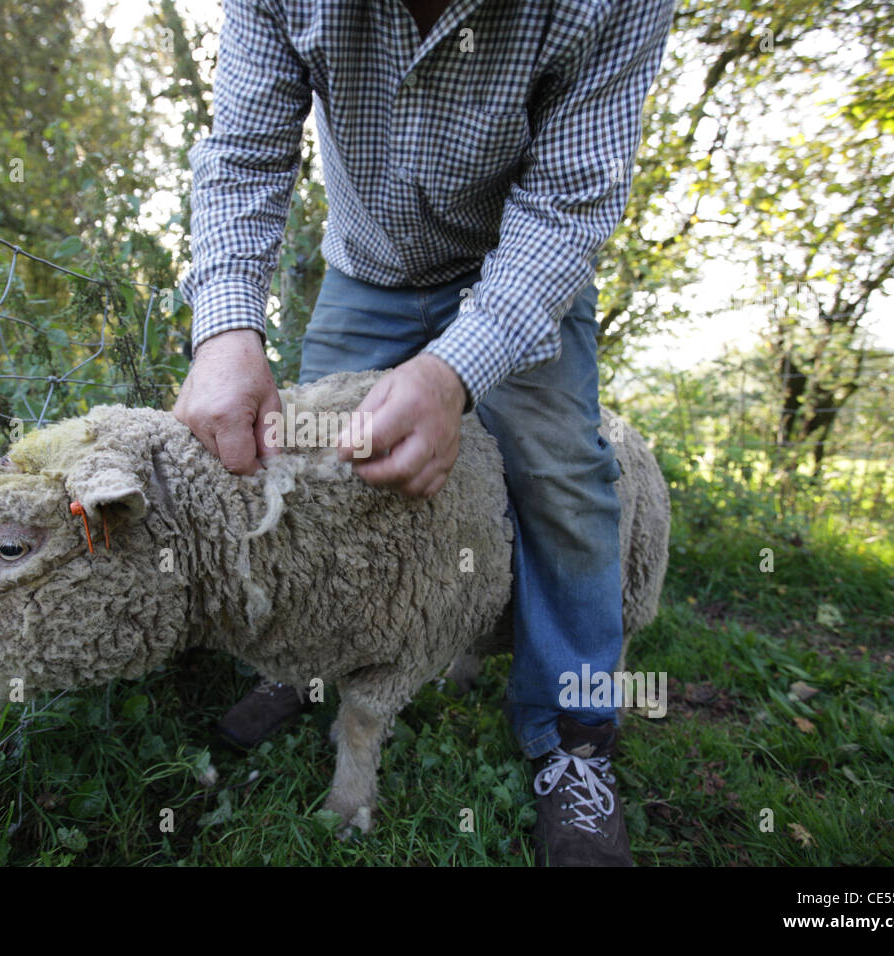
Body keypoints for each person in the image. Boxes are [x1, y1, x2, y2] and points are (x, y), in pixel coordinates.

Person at [175, 0, 674, 865]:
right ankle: (304, 663)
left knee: (563, 475)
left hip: (518, 261)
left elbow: (569, 202)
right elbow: (245, 150)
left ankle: (573, 741)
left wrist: (456, 374)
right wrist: (225, 330)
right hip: (365, 265)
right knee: (314, 477)